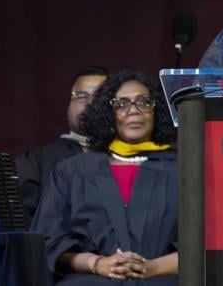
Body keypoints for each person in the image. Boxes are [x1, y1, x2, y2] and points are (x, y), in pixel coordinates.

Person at [32, 69, 178, 284]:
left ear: (157, 112)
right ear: (108, 114)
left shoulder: (183, 170)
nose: (134, 111)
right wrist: (97, 264)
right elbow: (49, 242)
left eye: (144, 102)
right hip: (91, 279)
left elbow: (209, 244)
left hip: (164, 278)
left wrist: (151, 268)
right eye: (121, 104)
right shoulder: (74, 171)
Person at [16, 65, 109, 220]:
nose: (90, 102)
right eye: (81, 95)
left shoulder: (136, 160)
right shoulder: (34, 163)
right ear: (68, 109)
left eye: (100, 96)